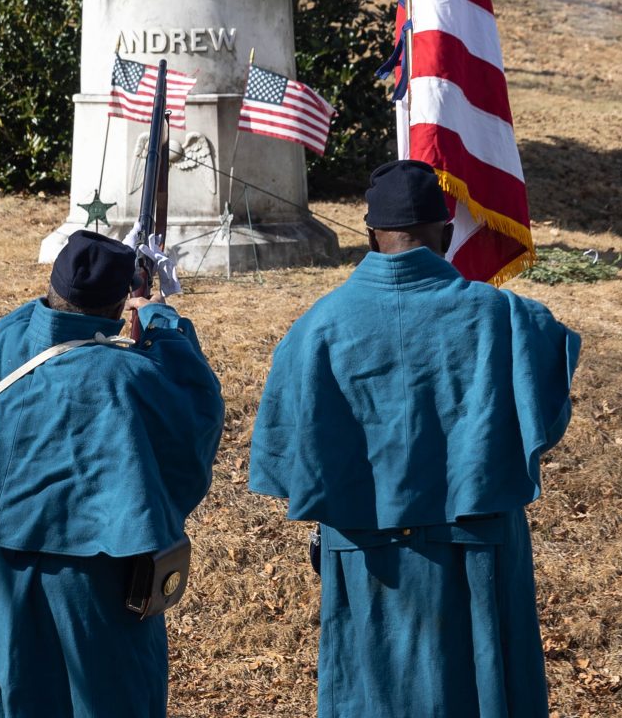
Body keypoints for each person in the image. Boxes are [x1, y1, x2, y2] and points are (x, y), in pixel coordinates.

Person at [249, 159, 581, 718]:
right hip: (477, 544)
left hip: (364, 549)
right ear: (446, 235)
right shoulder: (505, 317)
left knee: (371, 695)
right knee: (484, 691)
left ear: (370, 236)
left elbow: (284, 455)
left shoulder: (316, 327)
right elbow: (544, 423)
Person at [0, 229, 223, 718]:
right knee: (110, 702)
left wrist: (114, 284)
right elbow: (196, 410)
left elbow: (46, 316)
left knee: (15, 699)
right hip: (93, 571)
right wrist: (159, 318)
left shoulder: (1, 339)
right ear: (117, 307)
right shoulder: (124, 375)